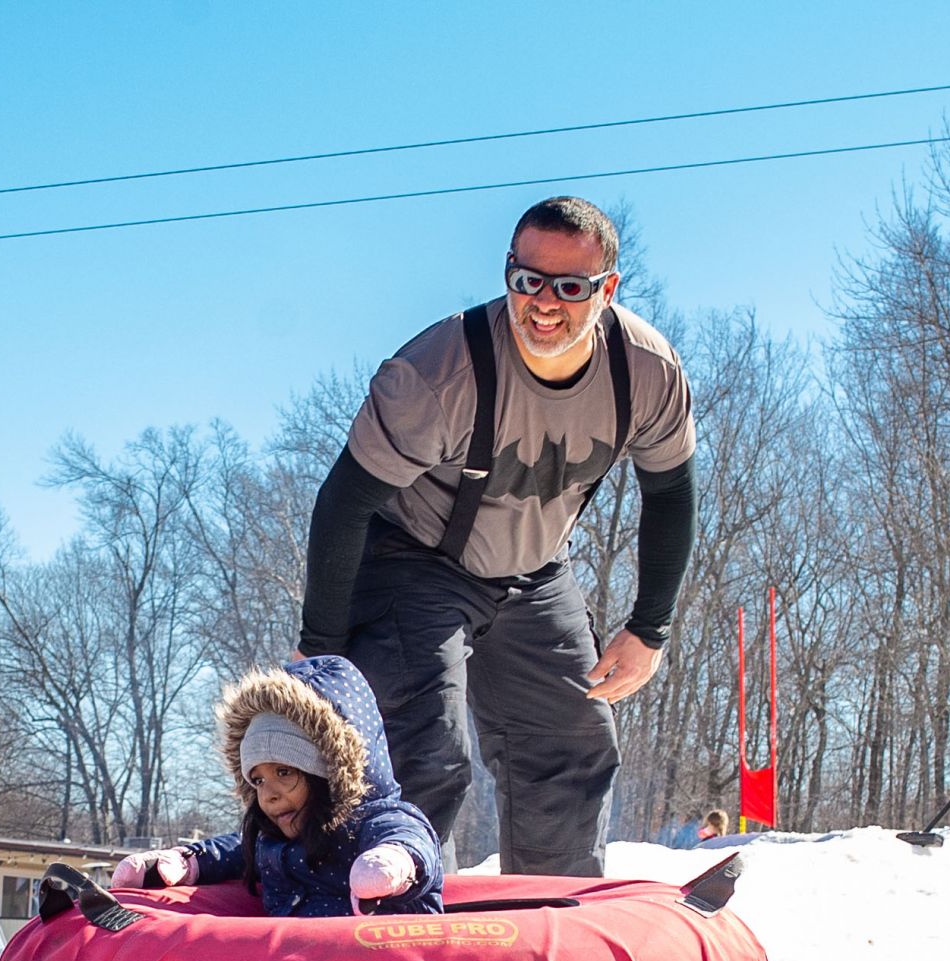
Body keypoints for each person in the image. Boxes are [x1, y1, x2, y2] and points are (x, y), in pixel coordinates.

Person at [295, 195, 697, 877]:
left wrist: (649, 627)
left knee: (573, 739)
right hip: (414, 562)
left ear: (608, 290)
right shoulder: (437, 373)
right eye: (526, 280)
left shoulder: (646, 373)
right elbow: (343, 503)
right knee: (429, 750)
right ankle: (403, 918)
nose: (544, 304)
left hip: (537, 572)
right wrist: (323, 656)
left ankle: (549, 926)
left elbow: (670, 493)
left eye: (570, 288)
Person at [113, 655, 444, 917]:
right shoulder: (272, 842)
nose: (269, 794)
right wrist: (188, 862)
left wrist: (394, 862)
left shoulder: (372, 823)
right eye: (257, 780)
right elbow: (234, 851)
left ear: (328, 772)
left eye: (284, 772)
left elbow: (410, 837)